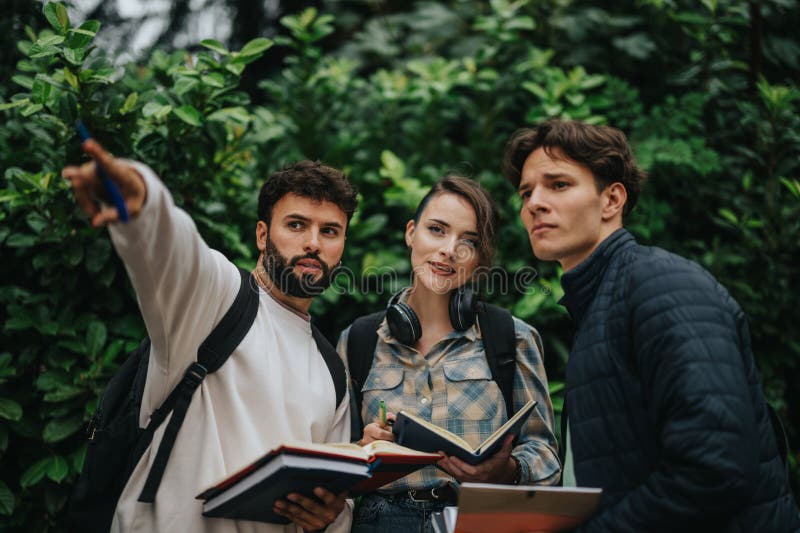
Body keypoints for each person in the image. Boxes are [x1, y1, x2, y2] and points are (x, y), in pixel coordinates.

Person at [503, 118, 800, 531]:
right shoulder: (601, 305)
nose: (534, 202)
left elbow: (715, 466)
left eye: (558, 184)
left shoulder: (660, 286)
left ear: (612, 200)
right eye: (526, 191)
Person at [62, 139, 358, 532]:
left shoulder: (332, 370)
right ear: (261, 234)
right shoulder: (216, 299)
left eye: (330, 231)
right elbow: (174, 250)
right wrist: (143, 203)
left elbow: (336, 504)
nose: (313, 243)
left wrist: (331, 518)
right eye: (297, 224)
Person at [337, 176, 561, 533]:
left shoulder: (512, 337)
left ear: (479, 259)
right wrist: (365, 449)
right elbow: (335, 467)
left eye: (468, 241)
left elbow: (547, 458)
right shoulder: (359, 340)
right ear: (412, 232)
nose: (449, 250)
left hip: (480, 520)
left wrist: (509, 471)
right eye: (437, 230)